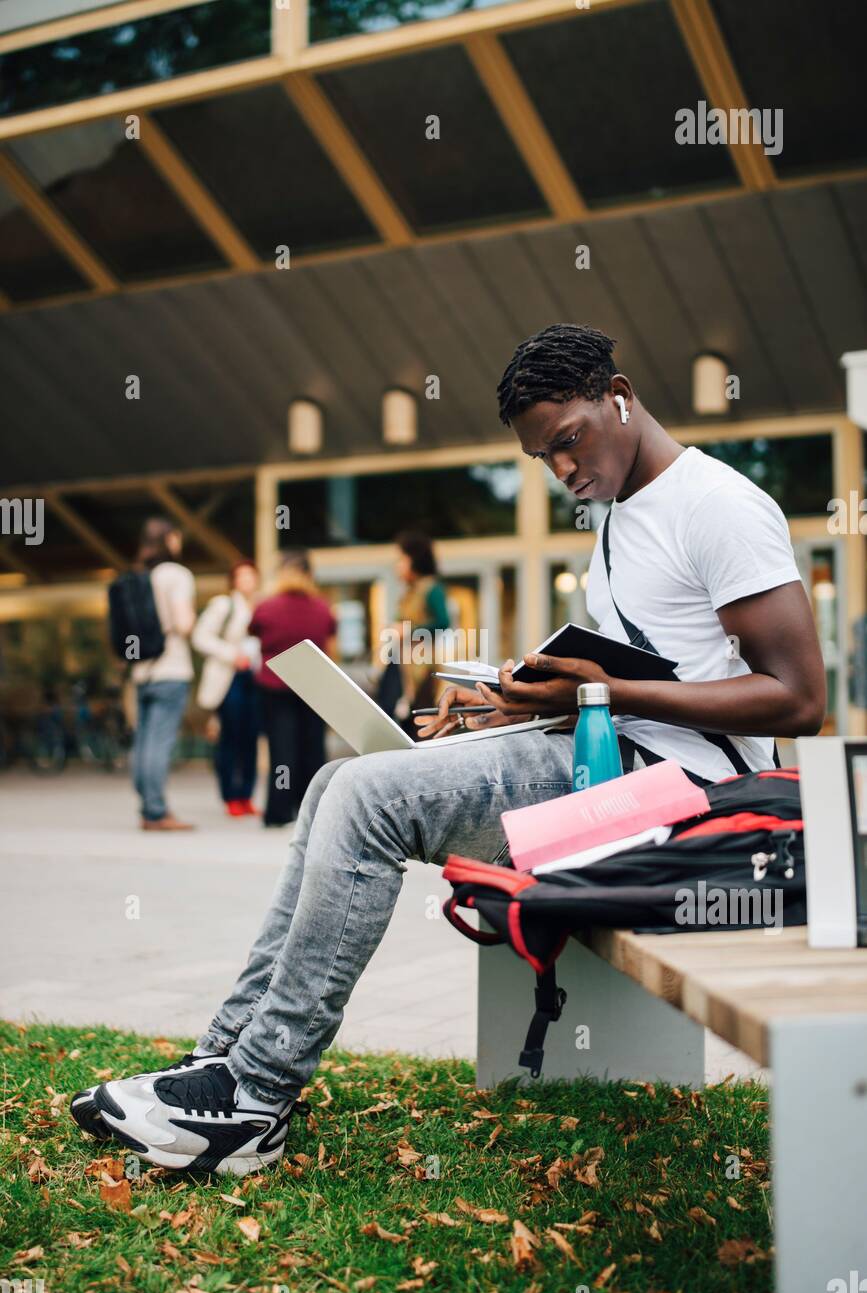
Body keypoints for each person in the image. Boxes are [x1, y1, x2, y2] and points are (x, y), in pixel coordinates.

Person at [72, 324, 826, 1173]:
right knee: (334, 781)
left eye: (567, 442)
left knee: (369, 799)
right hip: (615, 765)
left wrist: (597, 693)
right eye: (543, 458)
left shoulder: (717, 505)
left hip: (685, 798)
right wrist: (507, 704)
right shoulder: (620, 515)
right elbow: (625, 669)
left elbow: (798, 698)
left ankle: (254, 1099)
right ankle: (224, 1054)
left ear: (618, 394)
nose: (563, 471)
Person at [250, 550, 337, 828]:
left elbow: (254, 635)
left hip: (274, 685)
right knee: (312, 748)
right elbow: (331, 648)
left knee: (281, 749)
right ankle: (311, 811)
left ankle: (278, 811)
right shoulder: (322, 608)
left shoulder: (267, 607)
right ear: (309, 575)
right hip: (313, 684)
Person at [130, 517, 196, 832]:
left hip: (142, 669)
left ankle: (147, 806)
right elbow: (183, 624)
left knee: (144, 739)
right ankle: (156, 811)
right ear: (170, 539)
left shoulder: (139, 576)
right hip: (170, 666)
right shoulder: (176, 575)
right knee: (160, 741)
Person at [192, 559, 261, 817]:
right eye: (241, 576)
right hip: (229, 678)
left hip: (253, 679)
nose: (246, 581)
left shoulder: (259, 605)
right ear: (233, 580)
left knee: (250, 738)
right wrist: (232, 654)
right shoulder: (224, 605)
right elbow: (200, 637)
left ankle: (246, 794)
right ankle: (230, 795)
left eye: (250, 576)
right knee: (230, 737)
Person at [375, 531, 452, 731]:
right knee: (389, 713)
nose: (397, 565)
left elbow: (443, 622)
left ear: (414, 559)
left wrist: (408, 630)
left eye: (401, 558)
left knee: (416, 721)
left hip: (419, 667)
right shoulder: (410, 590)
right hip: (401, 661)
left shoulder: (431, 589)